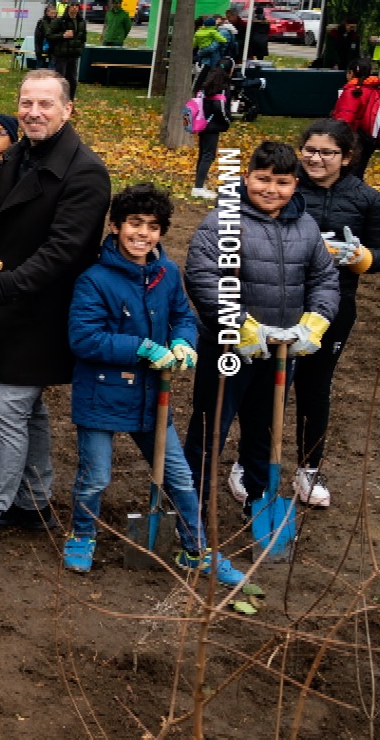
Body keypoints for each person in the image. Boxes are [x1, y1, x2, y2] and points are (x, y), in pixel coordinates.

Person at [0, 70, 111, 563]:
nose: (33, 112)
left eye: (46, 103)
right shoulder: (17, 156)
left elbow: (65, 251)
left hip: (47, 308)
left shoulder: (85, 171)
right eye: (26, 102)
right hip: (8, 306)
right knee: (28, 406)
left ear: (68, 111)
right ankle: (35, 498)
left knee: (8, 406)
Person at [61, 184, 235, 579]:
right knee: (96, 476)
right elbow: (84, 338)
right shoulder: (94, 279)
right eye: (134, 224)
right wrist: (143, 347)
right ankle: (82, 535)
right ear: (117, 225)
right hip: (101, 394)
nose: (142, 234)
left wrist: (182, 342)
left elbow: (184, 316)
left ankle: (195, 549)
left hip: (151, 395)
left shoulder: (167, 273)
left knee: (179, 476)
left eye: (152, 227)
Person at [182, 142, 339, 548]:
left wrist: (316, 320)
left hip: (283, 350)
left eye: (282, 182)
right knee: (210, 425)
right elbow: (203, 276)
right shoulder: (222, 222)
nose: (271, 189)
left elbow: (324, 278)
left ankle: (258, 498)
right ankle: (188, 502)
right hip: (231, 349)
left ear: (295, 183)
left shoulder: (305, 227)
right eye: (263, 179)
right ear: (246, 177)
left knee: (265, 429)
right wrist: (238, 324)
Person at [287, 120, 380, 508]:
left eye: (327, 152)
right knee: (271, 386)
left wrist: (363, 258)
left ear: (346, 158)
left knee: (315, 388)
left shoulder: (366, 199)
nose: (315, 158)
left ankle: (308, 468)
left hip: (334, 306)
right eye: (310, 150)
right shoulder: (286, 184)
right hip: (283, 300)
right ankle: (252, 465)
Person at [330, 60, 380, 181]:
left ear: (351, 73)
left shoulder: (353, 91)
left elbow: (345, 118)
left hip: (354, 137)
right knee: (359, 169)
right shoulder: (378, 89)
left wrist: (335, 135)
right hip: (370, 137)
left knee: (348, 172)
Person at [188, 67, 233, 199]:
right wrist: (228, 121)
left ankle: (199, 184)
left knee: (203, 155)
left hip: (203, 126)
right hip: (211, 128)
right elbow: (221, 111)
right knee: (208, 156)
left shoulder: (204, 91)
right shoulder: (218, 95)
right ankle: (198, 187)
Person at [47, 0, 88, 98]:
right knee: (60, 80)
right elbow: (49, 35)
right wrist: (62, 35)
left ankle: (70, 102)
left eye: (77, 6)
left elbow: (83, 38)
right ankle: (57, 100)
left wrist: (80, 49)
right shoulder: (60, 21)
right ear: (68, 7)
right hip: (61, 55)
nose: (74, 8)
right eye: (72, 5)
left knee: (72, 81)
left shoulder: (81, 22)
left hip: (73, 55)